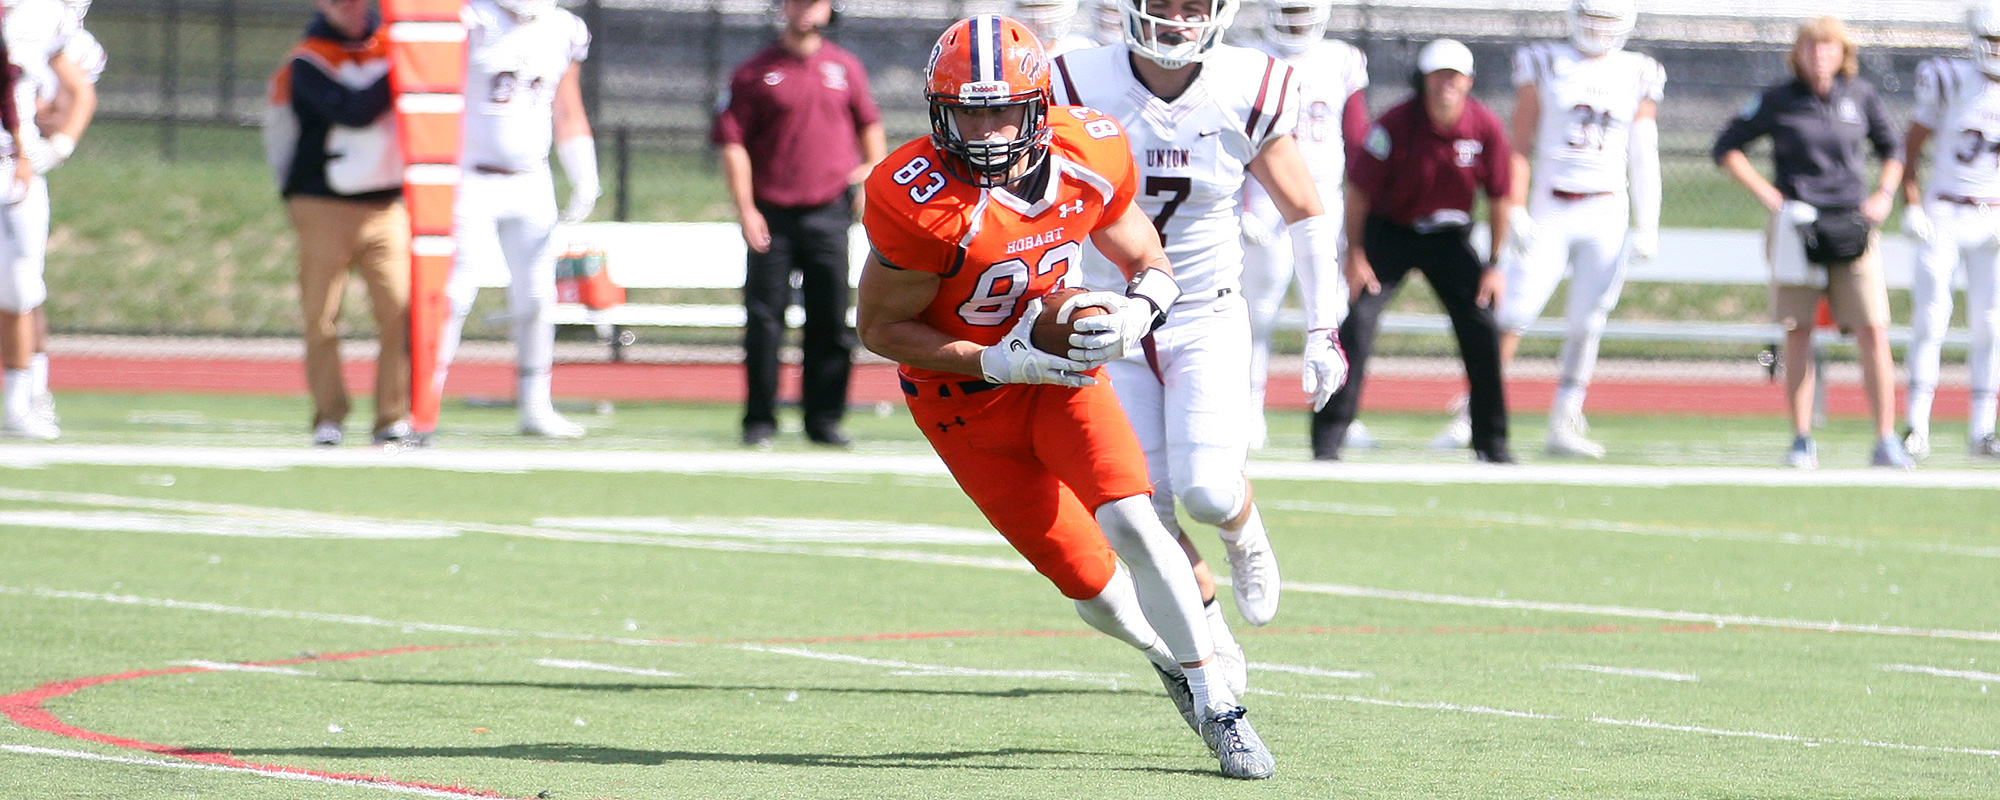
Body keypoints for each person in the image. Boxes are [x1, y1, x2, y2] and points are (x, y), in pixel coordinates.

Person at [855, 15, 1274, 779]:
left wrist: (1142, 305)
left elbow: (1145, 253)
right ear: (936, 111)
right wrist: (996, 361)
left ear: (1040, 107)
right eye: (967, 111)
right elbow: (880, 328)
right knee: (1093, 589)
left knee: (1137, 524)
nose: (985, 132)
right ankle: (1168, 661)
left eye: (1002, 110)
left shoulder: (1089, 152)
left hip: (1060, 376)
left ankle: (1220, 704)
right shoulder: (913, 195)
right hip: (963, 402)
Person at [1051, 0, 1350, 673]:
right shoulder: (1075, 82)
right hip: (1112, 318)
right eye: (1163, 5)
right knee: (1138, 512)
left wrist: (1322, 327)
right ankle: (1211, 636)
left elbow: (1304, 211)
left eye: (1193, 7)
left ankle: (1244, 534)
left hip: (1203, 313)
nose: (1177, 21)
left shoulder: (1248, 85)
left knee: (1209, 490)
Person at [1446, 0, 1661, 460]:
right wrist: (1516, 207)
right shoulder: (1546, 60)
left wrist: (1648, 221)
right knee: (1514, 313)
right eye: (1593, 16)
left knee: (1589, 320)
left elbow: (1644, 151)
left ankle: (1566, 416)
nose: (1599, 27)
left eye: (1608, 17)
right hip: (1551, 203)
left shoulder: (1639, 70)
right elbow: (1518, 146)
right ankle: (1473, 411)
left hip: (1606, 208)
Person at [1714, 16, 1911, 469]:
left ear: (1843, 54)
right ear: (1798, 53)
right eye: (1811, 47)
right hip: (1798, 225)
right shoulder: (1778, 99)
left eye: (1829, 47)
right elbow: (1726, 146)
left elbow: (1893, 148)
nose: (1819, 55)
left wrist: (1883, 195)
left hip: (1851, 227)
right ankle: (1801, 438)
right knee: (1797, 331)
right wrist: (1767, 194)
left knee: (1873, 330)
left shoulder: (1860, 96)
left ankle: (1885, 438)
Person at [1317, 38, 1516, 463]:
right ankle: (1329, 438)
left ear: (1468, 82)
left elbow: (1500, 197)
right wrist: (1356, 254)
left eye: (1454, 76)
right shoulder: (1392, 126)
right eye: (1437, 76)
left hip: (1450, 237)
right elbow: (1358, 193)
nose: (1446, 84)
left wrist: (1495, 264)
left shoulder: (1485, 127)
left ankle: (1492, 443)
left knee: (1482, 326)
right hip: (1390, 233)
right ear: (1421, 81)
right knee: (1358, 324)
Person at [713, 0, 885, 449]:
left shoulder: (845, 68)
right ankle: (759, 420)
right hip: (772, 214)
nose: (805, 11)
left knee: (830, 317)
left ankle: (824, 419)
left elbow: (870, 126)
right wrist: (746, 209)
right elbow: (733, 144)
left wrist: (869, 172)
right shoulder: (755, 71)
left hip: (829, 212)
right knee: (765, 320)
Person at [434, 0, 600, 439]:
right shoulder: (471, 18)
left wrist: (584, 174)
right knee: (454, 293)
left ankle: (535, 404)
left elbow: (567, 106)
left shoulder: (564, 28)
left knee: (537, 299)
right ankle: (423, 400)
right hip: (469, 174)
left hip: (532, 178)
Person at [264, 0, 410, 447]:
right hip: (323, 203)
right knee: (322, 316)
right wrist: (405, 70)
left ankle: (392, 417)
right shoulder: (307, 60)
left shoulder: (390, 46)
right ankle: (329, 415)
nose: (349, 7)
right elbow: (354, 110)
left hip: (386, 205)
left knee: (401, 312)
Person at [1240, 0, 1368, 450]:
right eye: (1287, 11)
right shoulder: (1247, 58)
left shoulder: (1342, 59)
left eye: (1303, 10)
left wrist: (1358, 208)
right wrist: (1241, 203)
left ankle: (1338, 417)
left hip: (1323, 200)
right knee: (1257, 315)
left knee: (1331, 314)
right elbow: (1231, 134)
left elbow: (1356, 138)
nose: (1296, 20)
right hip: (1266, 201)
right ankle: (1250, 410)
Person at [1899, 1, 2000, 461]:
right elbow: (1911, 144)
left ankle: (1983, 430)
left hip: (1993, 216)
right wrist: (1912, 202)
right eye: (1991, 41)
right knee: (1930, 318)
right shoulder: (1951, 79)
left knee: (1991, 326)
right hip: (1944, 213)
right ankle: (1916, 426)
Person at [19, 0, 98, 432]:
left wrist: (53, 140)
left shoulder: (74, 45)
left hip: (19, 167)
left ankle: (33, 388)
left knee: (23, 284)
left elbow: (62, 109)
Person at [0, 0, 68, 439]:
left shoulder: (43, 22)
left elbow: (69, 92)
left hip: (9, 167)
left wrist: (45, 146)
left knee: (20, 287)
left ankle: (21, 399)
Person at [1007, 0, 1094, 56]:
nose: (1039, 20)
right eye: (1027, 7)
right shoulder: (1002, 54)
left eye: (1049, 7)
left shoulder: (1086, 52)